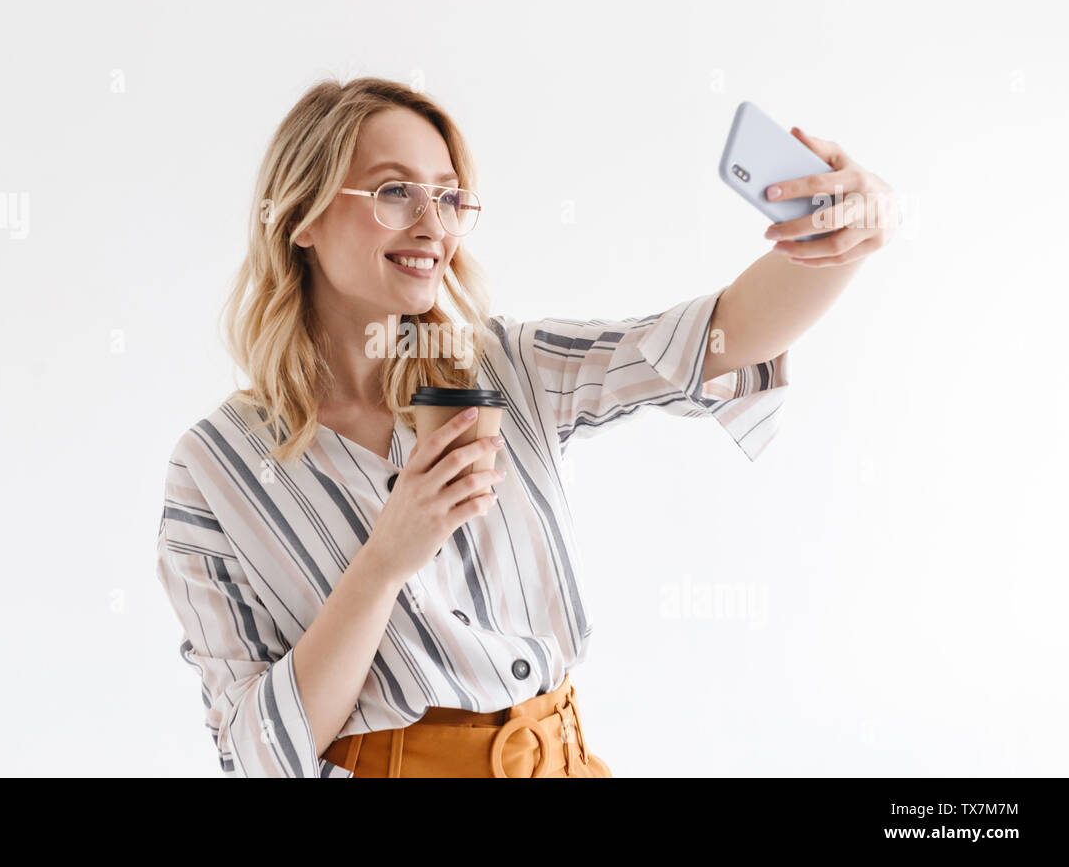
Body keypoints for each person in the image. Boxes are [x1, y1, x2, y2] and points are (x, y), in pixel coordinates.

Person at [154, 76, 897, 777]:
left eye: (448, 197)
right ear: (302, 216)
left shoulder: (507, 368)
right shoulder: (214, 469)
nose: (431, 224)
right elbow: (260, 750)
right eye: (394, 191)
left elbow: (714, 342)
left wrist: (846, 238)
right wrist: (385, 559)